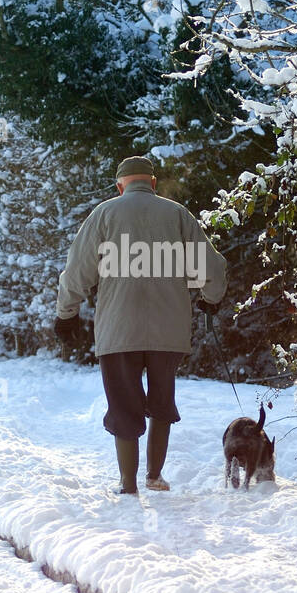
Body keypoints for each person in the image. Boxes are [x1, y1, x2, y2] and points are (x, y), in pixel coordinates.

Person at [54, 156, 227, 495]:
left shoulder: (104, 214)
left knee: (123, 402)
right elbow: (211, 267)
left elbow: (77, 270)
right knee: (162, 401)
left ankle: (128, 482)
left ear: (120, 186)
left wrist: (66, 313)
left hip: (118, 329)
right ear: (153, 183)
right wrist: (210, 298)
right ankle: (154, 476)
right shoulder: (177, 214)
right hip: (169, 329)